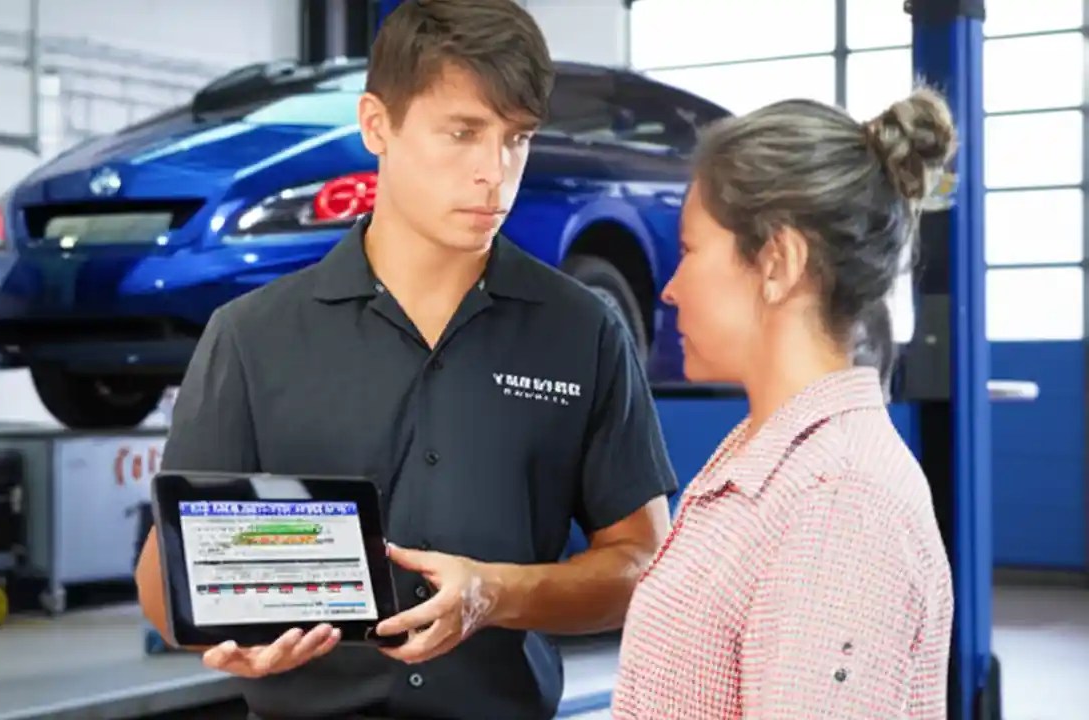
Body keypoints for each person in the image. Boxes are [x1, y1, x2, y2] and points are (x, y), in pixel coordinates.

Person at [134, 1, 678, 718]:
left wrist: (496, 594)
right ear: (375, 125)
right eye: (463, 133)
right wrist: (220, 630)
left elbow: (643, 565)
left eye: (517, 138)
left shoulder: (583, 332)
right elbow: (166, 574)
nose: (495, 171)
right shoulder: (251, 336)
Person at [612, 88, 958, 719]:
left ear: (778, 260)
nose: (669, 288)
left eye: (689, 251)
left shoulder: (840, 505)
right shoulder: (768, 459)